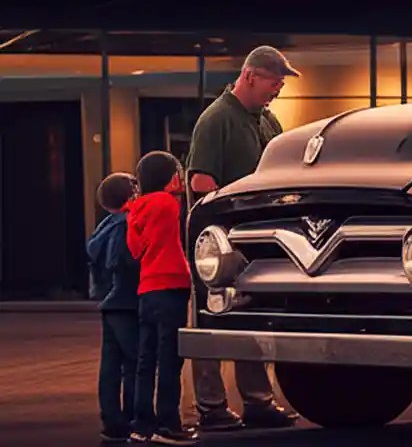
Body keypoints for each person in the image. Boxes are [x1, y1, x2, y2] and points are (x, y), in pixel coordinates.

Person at [184, 45, 299, 431]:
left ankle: (258, 402)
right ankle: (212, 407)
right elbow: (201, 183)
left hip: (261, 240)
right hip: (221, 242)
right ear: (249, 76)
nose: (278, 89)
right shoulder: (216, 120)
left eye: (280, 84)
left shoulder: (269, 121)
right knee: (212, 320)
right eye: (273, 81)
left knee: (254, 319)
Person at [127, 151, 199, 445]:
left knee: (146, 359)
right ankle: (168, 423)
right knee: (170, 358)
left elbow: (135, 250)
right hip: (171, 284)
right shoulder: (168, 203)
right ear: (170, 179)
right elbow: (178, 214)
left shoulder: (135, 209)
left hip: (147, 288)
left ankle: (141, 424)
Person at [88, 172, 142, 444]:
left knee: (110, 364)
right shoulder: (124, 225)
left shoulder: (104, 226)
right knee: (133, 361)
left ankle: (110, 419)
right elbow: (121, 262)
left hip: (108, 303)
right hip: (125, 302)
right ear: (130, 195)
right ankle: (131, 417)